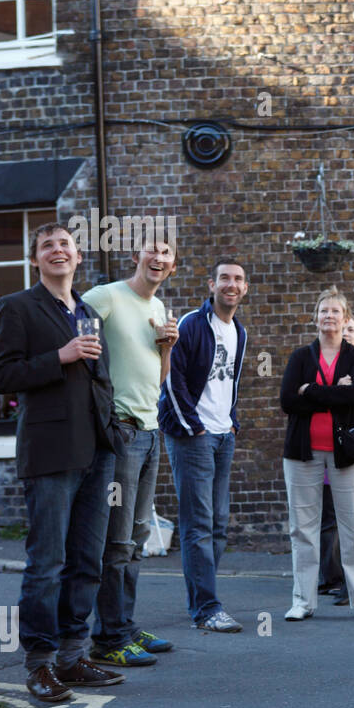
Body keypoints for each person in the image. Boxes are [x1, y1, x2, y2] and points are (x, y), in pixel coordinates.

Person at [0, 222, 125, 702]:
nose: (57, 251)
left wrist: (113, 430)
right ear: (35, 259)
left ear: (78, 255)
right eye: (47, 246)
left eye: (64, 244)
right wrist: (59, 356)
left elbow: (99, 379)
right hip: (49, 453)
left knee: (87, 561)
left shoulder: (88, 311)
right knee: (47, 562)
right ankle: (40, 664)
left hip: (96, 452)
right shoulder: (18, 307)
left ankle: (73, 656)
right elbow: (0, 375)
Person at [82, 236, 179, 667]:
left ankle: (124, 625)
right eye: (152, 250)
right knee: (116, 540)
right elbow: (70, 326)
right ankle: (108, 638)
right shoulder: (107, 296)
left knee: (138, 538)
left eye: (167, 254)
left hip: (150, 431)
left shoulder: (158, 309)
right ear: (136, 255)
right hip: (120, 432)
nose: (158, 258)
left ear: (172, 266)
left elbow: (159, 380)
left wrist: (167, 349)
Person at [279, 287, 354, 621]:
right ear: (315, 318)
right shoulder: (300, 357)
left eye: (336, 311)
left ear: (346, 318)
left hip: (347, 454)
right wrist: (337, 392)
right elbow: (287, 401)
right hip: (302, 453)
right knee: (303, 529)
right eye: (324, 310)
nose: (329, 316)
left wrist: (311, 390)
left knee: (353, 527)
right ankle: (303, 601)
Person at [157, 258, 249, 633]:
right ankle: (207, 608)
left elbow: (228, 384)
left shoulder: (239, 332)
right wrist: (193, 427)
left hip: (222, 435)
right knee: (198, 525)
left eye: (238, 279)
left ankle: (201, 598)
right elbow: (171, 380)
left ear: (245, 288)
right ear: (212, 284)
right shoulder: (192, 325)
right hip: (192, 436)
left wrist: (230, 422)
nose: (231, 284)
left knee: (218, 524)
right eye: (224, 278)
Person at [319, 312, 354, 598]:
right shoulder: (324, 363)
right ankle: (330, 576)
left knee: (353, 515)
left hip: (353, 448)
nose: (348, 333)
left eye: (353, 330)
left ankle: (352, 580)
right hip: (327, 445)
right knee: (328, 515)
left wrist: (347, 398)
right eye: (345, 329)